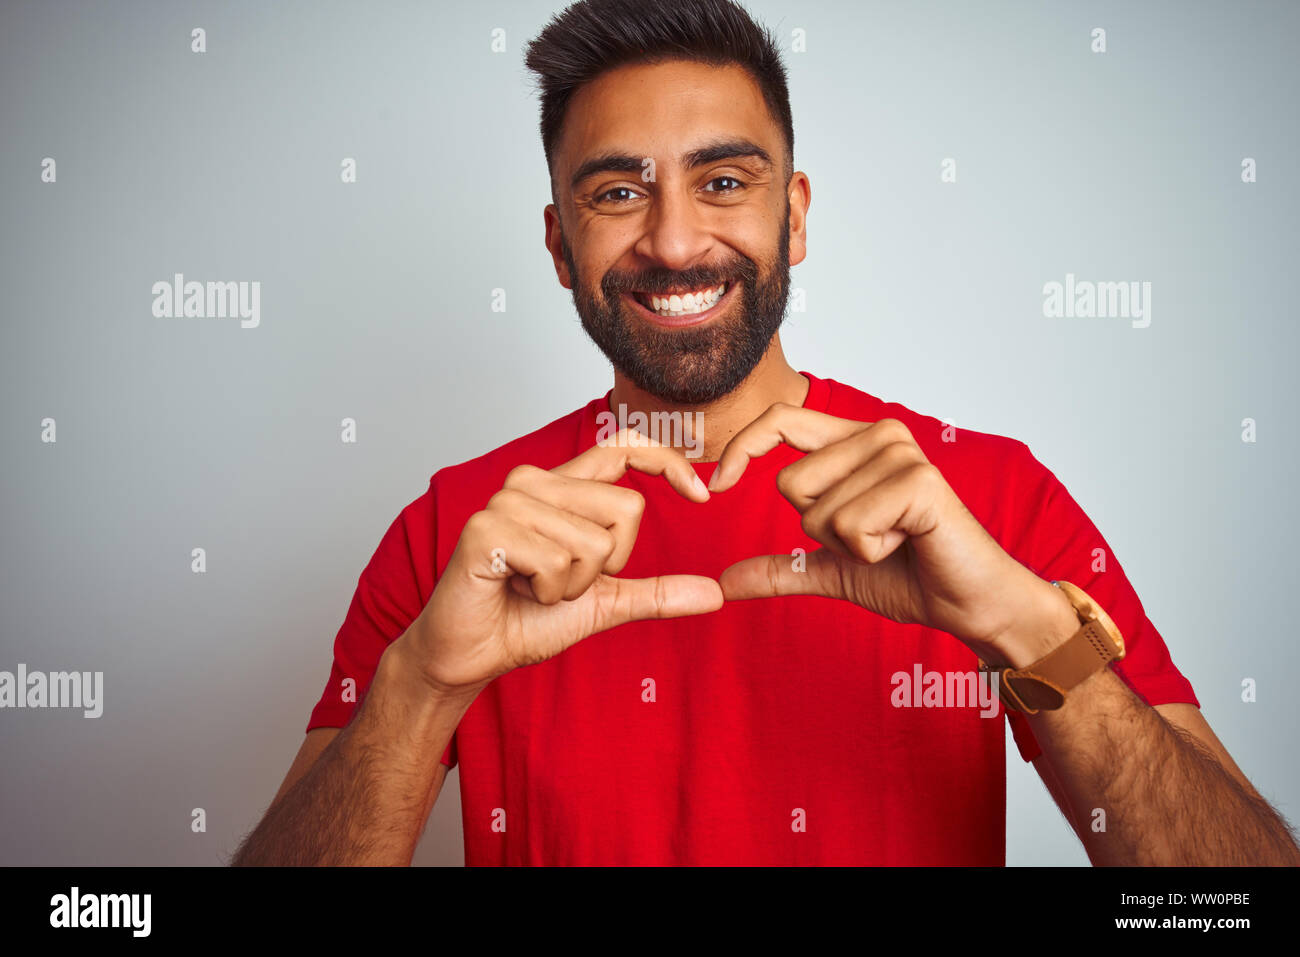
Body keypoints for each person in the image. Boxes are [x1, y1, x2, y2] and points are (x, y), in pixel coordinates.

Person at [231, 0, 1300, 866]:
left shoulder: (990, 497)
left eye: (724, 182)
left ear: (793, 215)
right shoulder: (457, 530)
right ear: (560, 245)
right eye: (616, 192)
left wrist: (1025, 632)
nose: (675, 238)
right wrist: (420, 692)